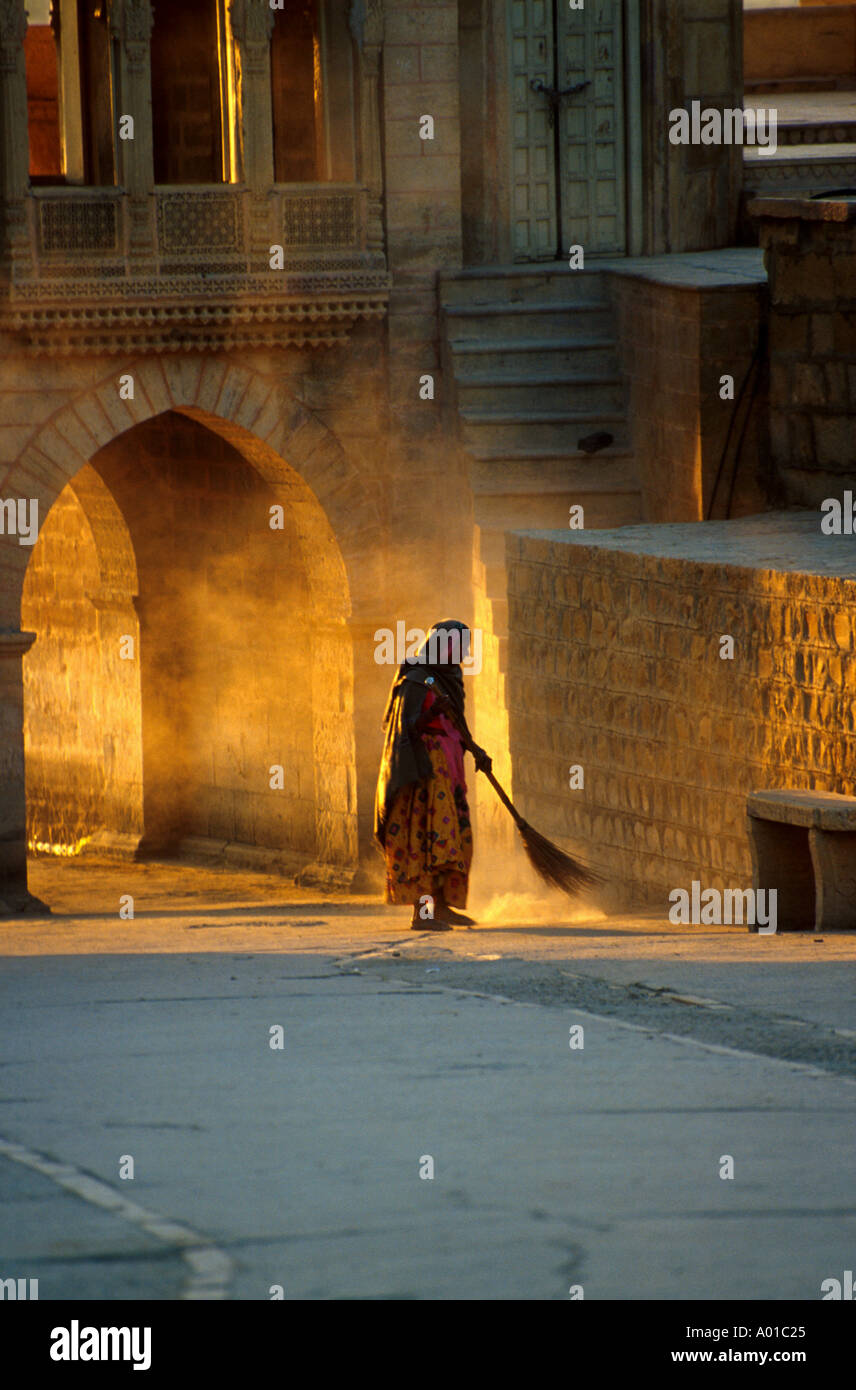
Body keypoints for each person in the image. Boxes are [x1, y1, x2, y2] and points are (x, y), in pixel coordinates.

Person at [374, 620, 492, 930]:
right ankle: (423, 914)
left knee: (450, 841)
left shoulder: (448, 679)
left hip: (448, 773)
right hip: (423, 774)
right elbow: (403, 727)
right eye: (460, 647)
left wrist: (476, 750)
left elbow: (455, 723)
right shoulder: (415, 680)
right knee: (425, 843)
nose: (464, 654)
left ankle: (443, 907)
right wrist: (430, 712)